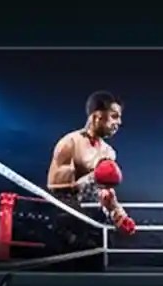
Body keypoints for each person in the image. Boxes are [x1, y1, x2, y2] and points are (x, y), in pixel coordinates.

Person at [47, 90, 136, 234]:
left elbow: (106, 194)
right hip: (67, 221)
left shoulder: (109, 152)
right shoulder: (70, 143)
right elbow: (55, 188)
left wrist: (119, 215)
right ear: (97, 116)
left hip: (95, 222)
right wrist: (91, 178)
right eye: (114, 116)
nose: (119, 123)